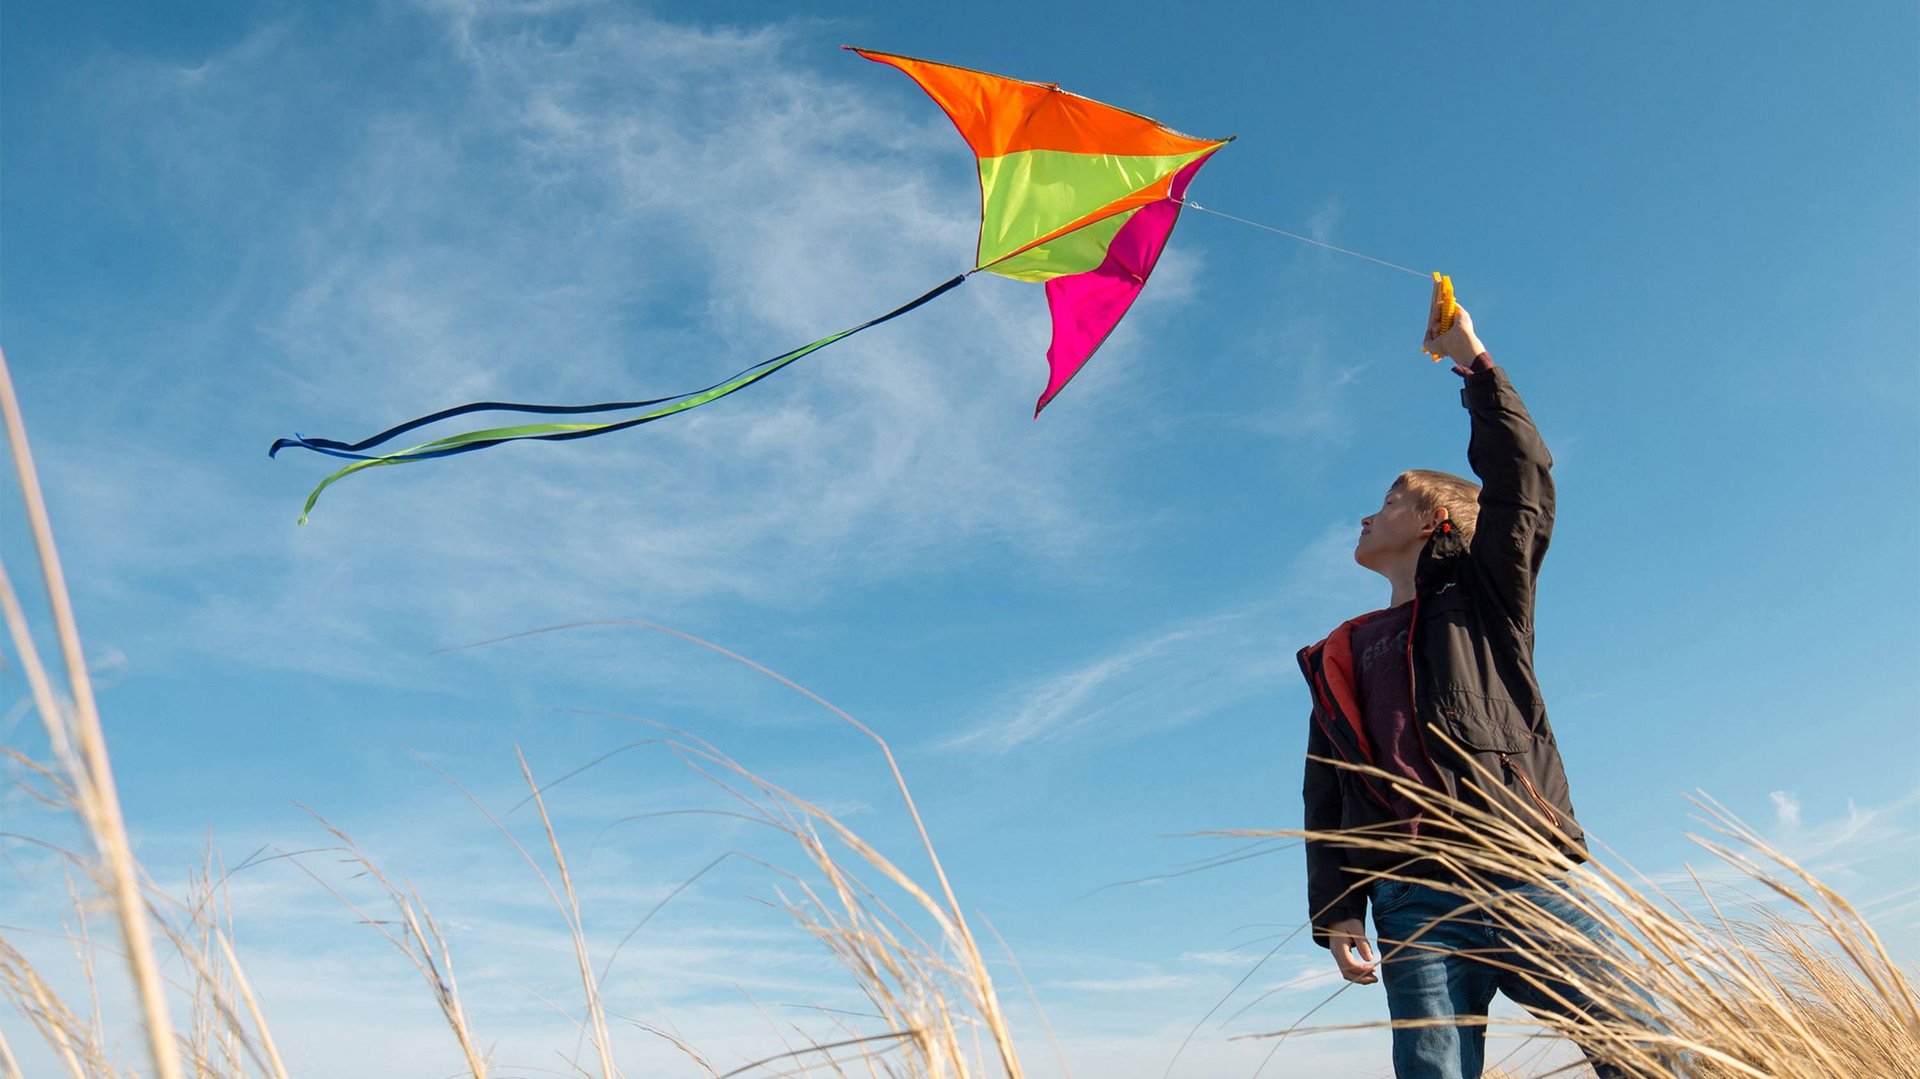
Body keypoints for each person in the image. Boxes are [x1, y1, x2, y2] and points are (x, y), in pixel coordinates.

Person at [1298, 304, 1640, 1079]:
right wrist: (1339, 907)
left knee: (1638, 1042)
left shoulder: (1485, 598)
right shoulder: (1337, 654)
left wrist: (1475, 364)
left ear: (1435, 521)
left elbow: (1524, 483)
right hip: (1413, 900)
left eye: (1391, 500)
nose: (1368, 512)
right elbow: (1327, 792)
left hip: (1518, 863)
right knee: (1435, 1069)